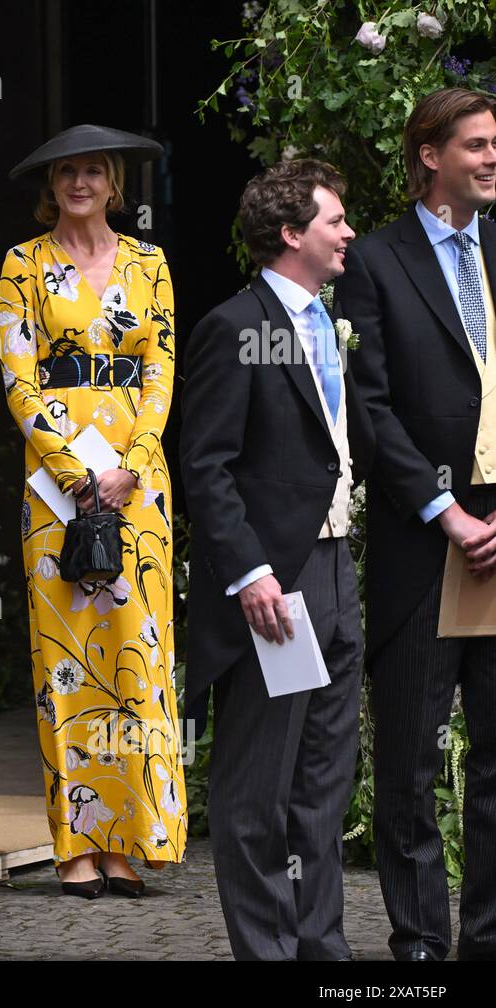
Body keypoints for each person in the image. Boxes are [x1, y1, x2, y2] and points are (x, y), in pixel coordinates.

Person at [181, 159, 374, 960]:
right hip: (277, 589)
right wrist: (251, 573)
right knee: (258, 792)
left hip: (335, 580)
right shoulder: (234, 326)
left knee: (325, 787)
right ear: (292, 232)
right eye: (335, 220)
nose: (349, 234)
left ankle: (322, 955)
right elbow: (207, 465)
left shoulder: (329, 321)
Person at [0, 125, 185, 899]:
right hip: (56, 486)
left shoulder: (151, 263)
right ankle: (76, 843)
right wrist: (78, 472)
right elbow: (16, 376)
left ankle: (128, 837)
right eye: (67, 171)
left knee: (136, 660)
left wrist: (131, 466)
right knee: (66, 661)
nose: (80, 182)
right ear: (53, 185)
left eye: (94, 171)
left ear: (115, 183)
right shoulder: (23, 264)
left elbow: (162, 367)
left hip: (138, 489)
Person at [336, 86, 496, 961]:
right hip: (424, 549)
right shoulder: (376, 262)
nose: (492, 157)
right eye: (475, 145)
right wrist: (444, 512)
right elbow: (370, 407)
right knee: (408, 768)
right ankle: (421, 946)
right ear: (430, 156)